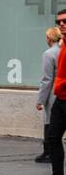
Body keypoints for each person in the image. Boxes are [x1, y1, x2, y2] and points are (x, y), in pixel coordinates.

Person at [35, 26, 63, 162]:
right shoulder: (63, 51)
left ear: (49, 38)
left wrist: (40, 100)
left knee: (49, 122)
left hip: (53, 94)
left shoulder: (49, 54)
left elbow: (47, 80)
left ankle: (48, 152)